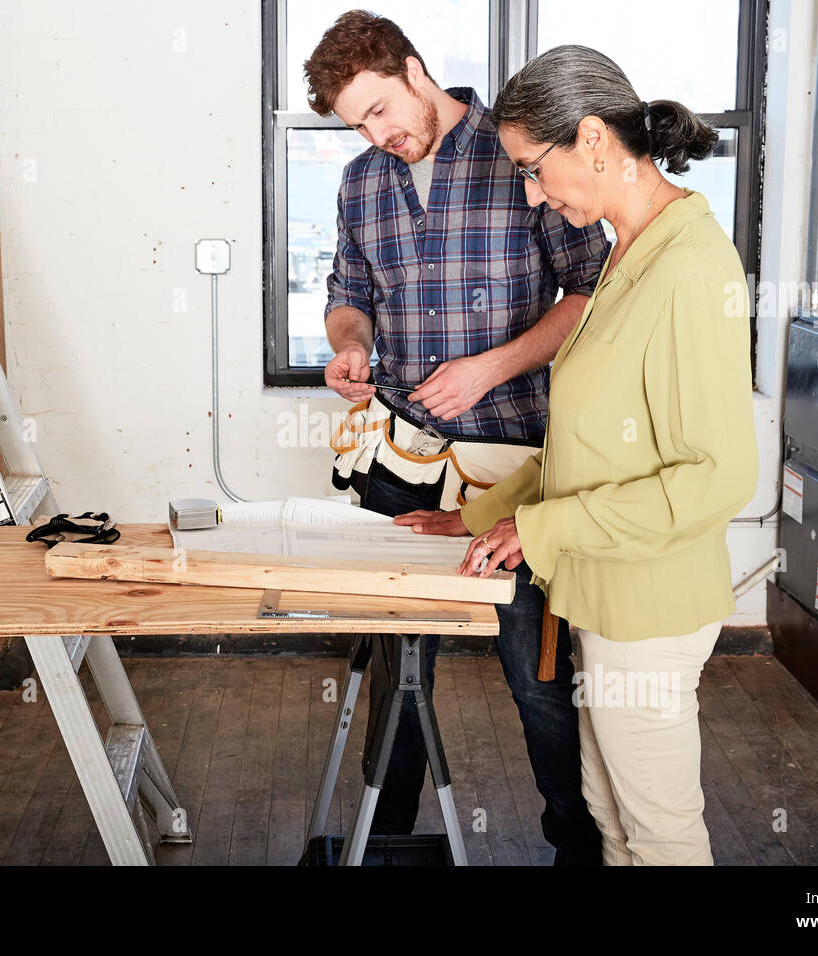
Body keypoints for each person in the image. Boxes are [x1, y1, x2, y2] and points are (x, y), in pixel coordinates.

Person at [401, 45, 759, 865]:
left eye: (533, 168)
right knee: (610, 815)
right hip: (605, 596)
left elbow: (716, 475)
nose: (532, 192)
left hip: (650, 606)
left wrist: (543, 531)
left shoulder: (690, 268)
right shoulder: (625, 254)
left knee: (660, 835)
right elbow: (582, 446)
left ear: (593, 140)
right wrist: (476, 518)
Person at [306, 11, 609, 863]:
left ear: (414, 69)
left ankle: (575, 845)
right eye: (358, 123)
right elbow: (346, 289)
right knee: (399, 678)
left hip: (511, 470)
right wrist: (350, 343)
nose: (378, 133)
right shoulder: (363, 182)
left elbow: (589, 295)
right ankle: (387, 840)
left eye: (380, 110)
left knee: (538, 678)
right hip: (398, 463)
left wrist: (493, 366)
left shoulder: (521, 153)